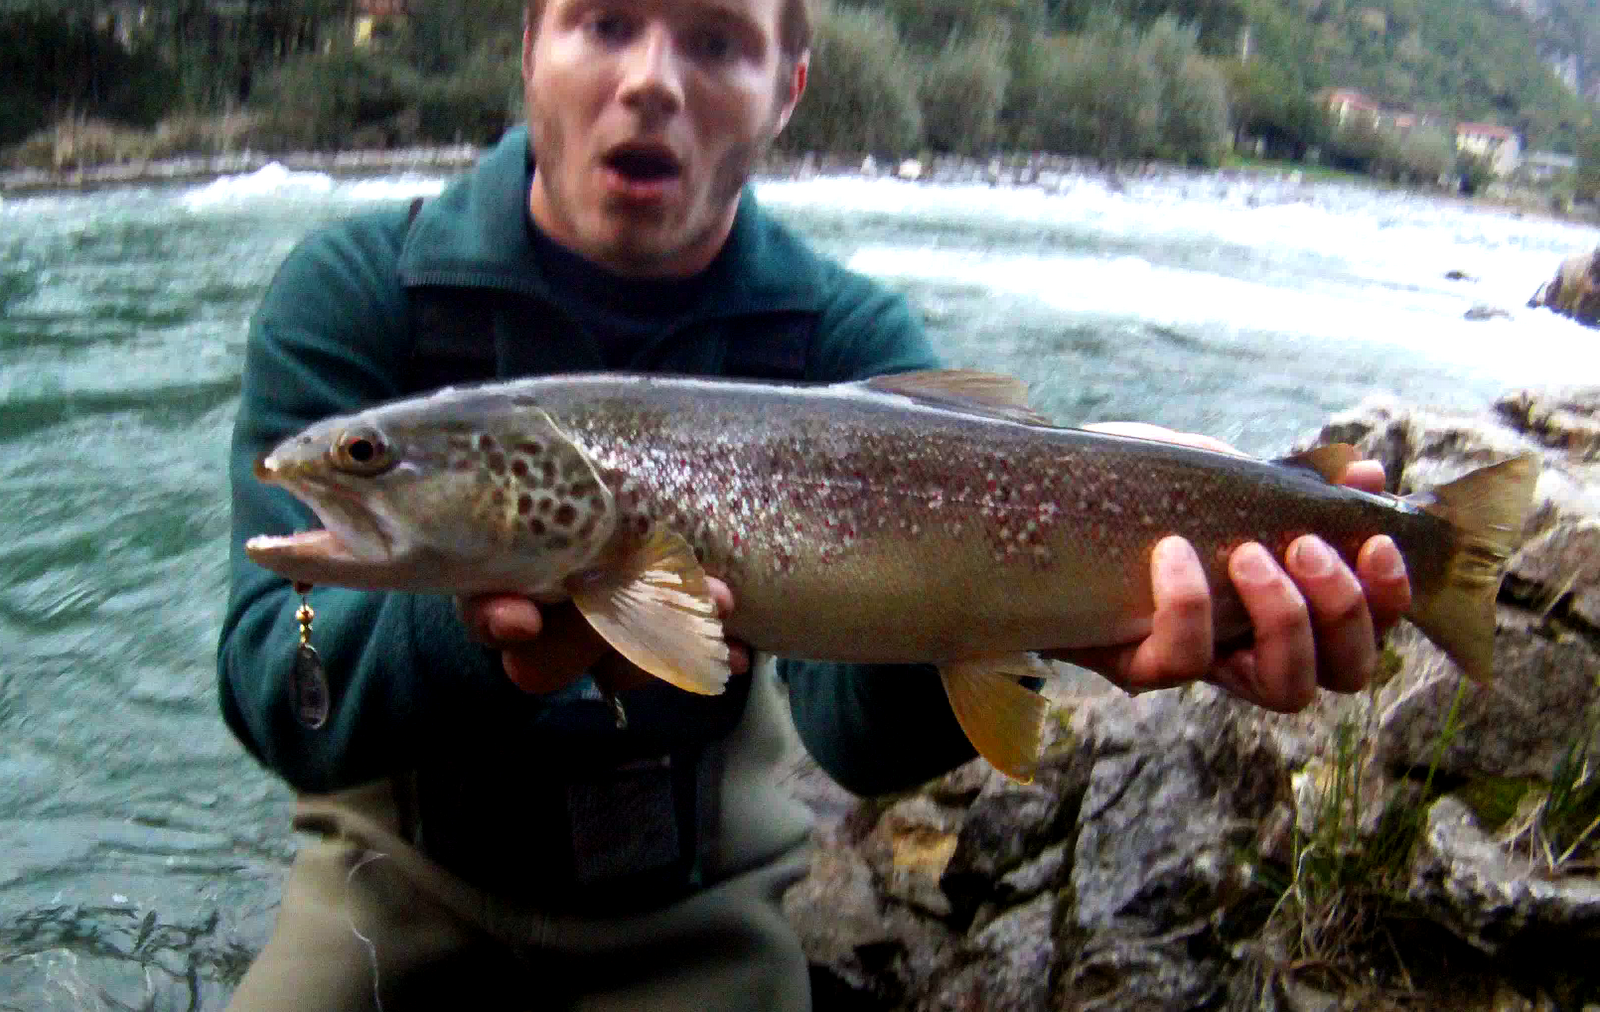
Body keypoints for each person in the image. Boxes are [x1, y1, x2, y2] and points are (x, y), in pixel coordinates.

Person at [216, 0, 1413, 1008]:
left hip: (697, 892)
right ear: (529, 44)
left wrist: (1040, 602)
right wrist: (478, 642)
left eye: (717, 44)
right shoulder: (357, 296)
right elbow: (289, 674)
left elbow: (847, 733)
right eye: (605, 22)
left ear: (788, 88)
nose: (650, 83)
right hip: (395, 879)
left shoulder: (848, 343)